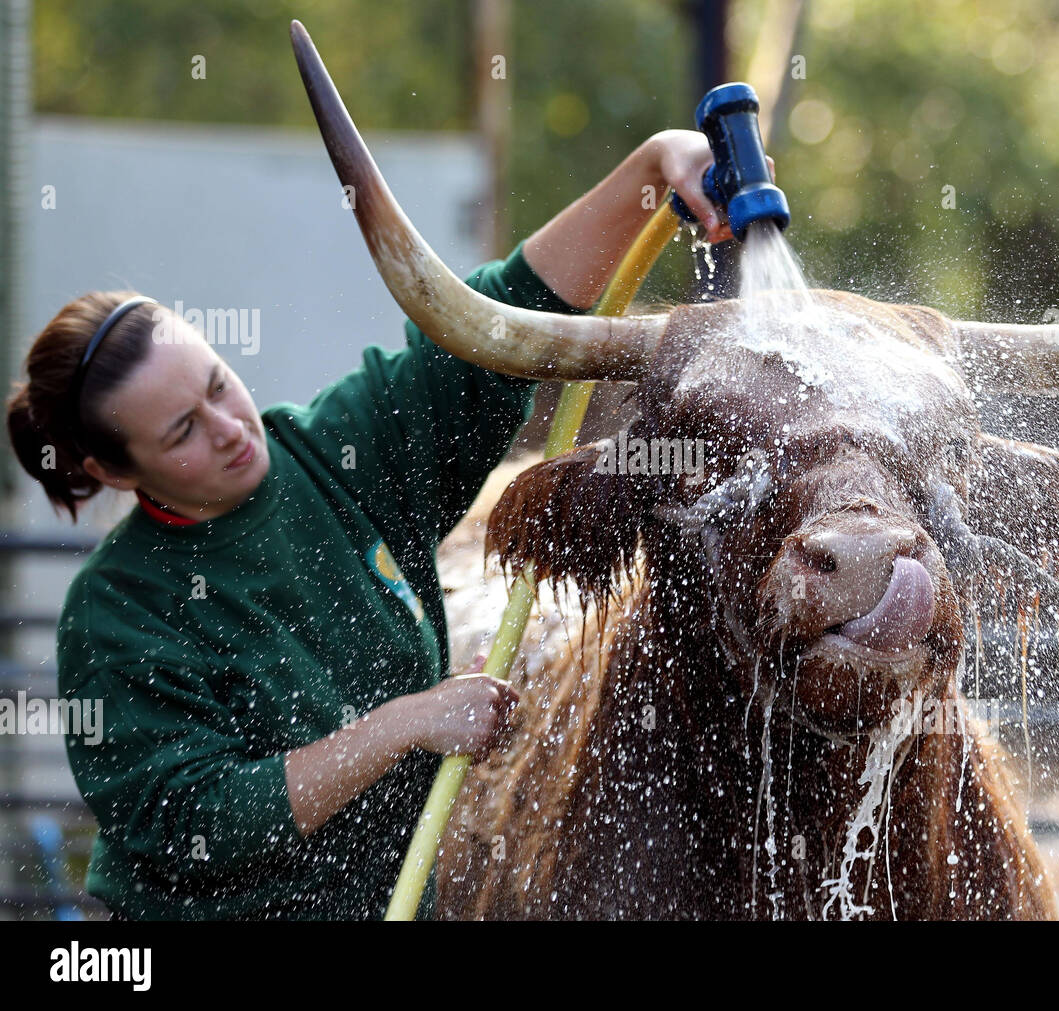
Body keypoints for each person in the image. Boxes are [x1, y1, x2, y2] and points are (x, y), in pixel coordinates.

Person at [6, 128, 758, 920]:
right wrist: (406, 722)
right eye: (181, 432)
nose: (229, 425)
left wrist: (649, 166)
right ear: (112, 471)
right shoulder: (116, 611)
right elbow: (196, 821)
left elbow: (499, 326)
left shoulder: (337, 448)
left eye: (219, 385)